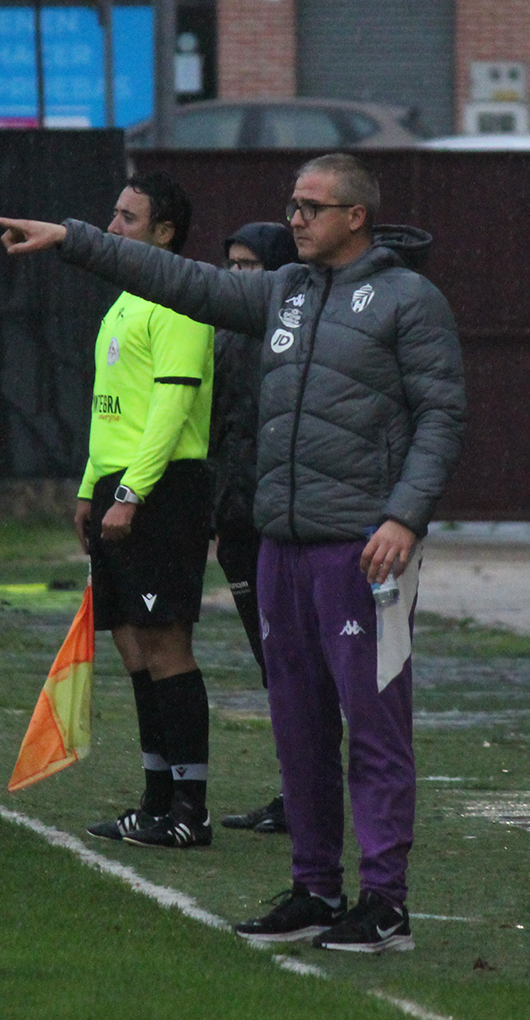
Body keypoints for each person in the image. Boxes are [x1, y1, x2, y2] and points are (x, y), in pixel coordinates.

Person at [0, 153, 466, 954]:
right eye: (293, 204)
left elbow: (443, 420)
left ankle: (385, 904)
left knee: (375, 729)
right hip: (281, 544)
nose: (296, 218)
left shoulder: (411, 302)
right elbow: (176, 280)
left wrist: (404, 520)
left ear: (357, 218)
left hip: (364, 550)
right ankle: (315, 889)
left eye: (313, 206)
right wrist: (71, 239)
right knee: (297, 725)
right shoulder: (282, 292)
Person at [71, 171, 219, 850]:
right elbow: (115, 406)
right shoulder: (126, 301)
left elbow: (171, 407)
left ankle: (192, 808)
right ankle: (156, 800)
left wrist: (131, 491)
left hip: (162, 490)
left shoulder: (179, 299)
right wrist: (89, 486)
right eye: (113, 212)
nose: (113, 228)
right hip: (117, 488)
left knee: (165, 645)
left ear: (165, 232)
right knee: (132, 645)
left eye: (129, 219)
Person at [210, 222, 300, 835]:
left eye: (252, 266)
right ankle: (297, 788)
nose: (241, 278)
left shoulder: (290, 336)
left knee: (292, 661)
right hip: (237, 517)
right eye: (233, 266)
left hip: (279, 519)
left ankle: (307, 792)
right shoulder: (223, 332)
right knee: (270, 658)